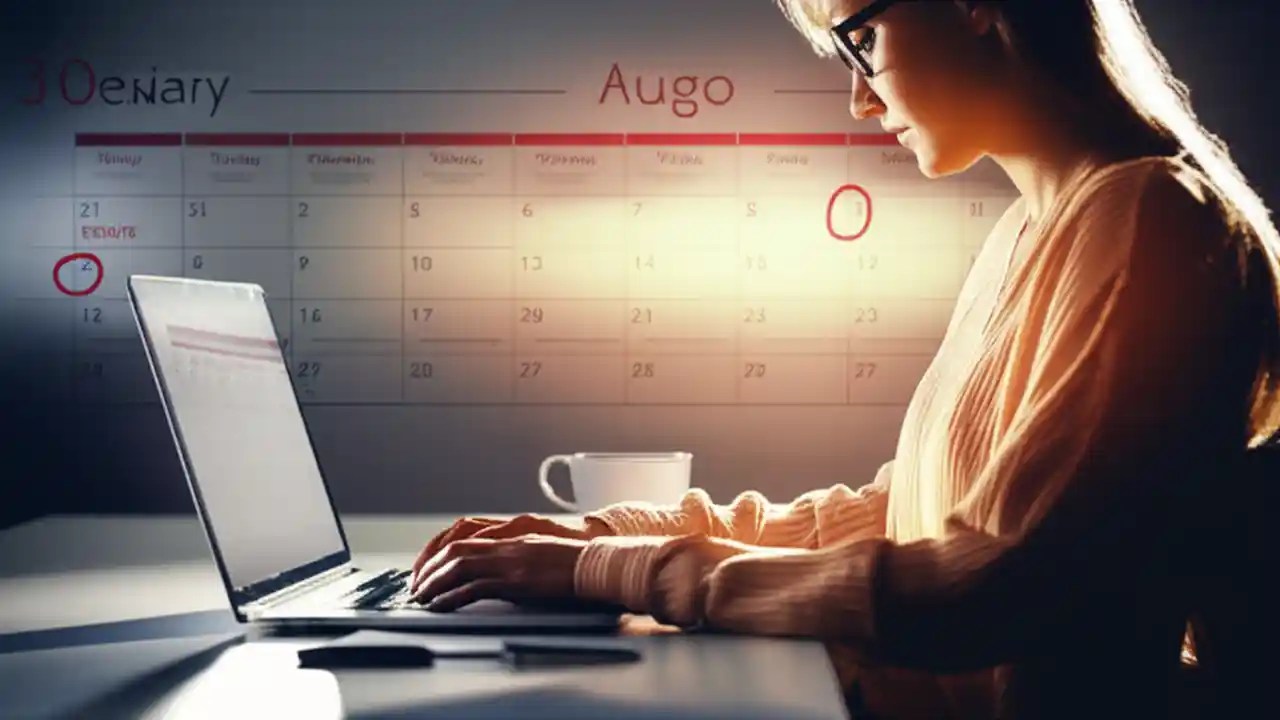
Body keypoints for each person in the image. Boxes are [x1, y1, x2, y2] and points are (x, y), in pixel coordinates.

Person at [408, 1, 1280, 717]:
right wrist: (602, 538)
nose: (860, 101)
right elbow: (901, 515)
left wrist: (615, 575)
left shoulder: (1150, 222)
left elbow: (992, 580)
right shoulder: (1032, 230)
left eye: (861, 40)